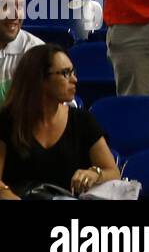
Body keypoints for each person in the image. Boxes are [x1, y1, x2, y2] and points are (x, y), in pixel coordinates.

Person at [0, 45, 120, 198]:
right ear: (40, 79)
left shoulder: (82, 121)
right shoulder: (7, 120)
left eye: (73, 72)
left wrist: (95, 173)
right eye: (65, 73)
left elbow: (113, 173)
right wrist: (4, 193)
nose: (74, 80)